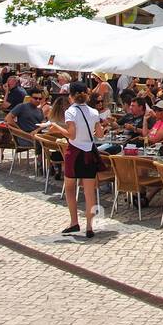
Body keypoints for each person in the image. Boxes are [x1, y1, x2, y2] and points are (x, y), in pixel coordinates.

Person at [53, 82, 106, 239]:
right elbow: (101, 135)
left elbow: (72, 135)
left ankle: (74, 222)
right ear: (87, 95)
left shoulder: (70, 112)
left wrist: (57, 128)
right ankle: (90, 226)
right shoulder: (94, 111)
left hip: (75, 152)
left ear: (71, 96)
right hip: (89, 151)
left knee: (69, 187)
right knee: (89, 191)